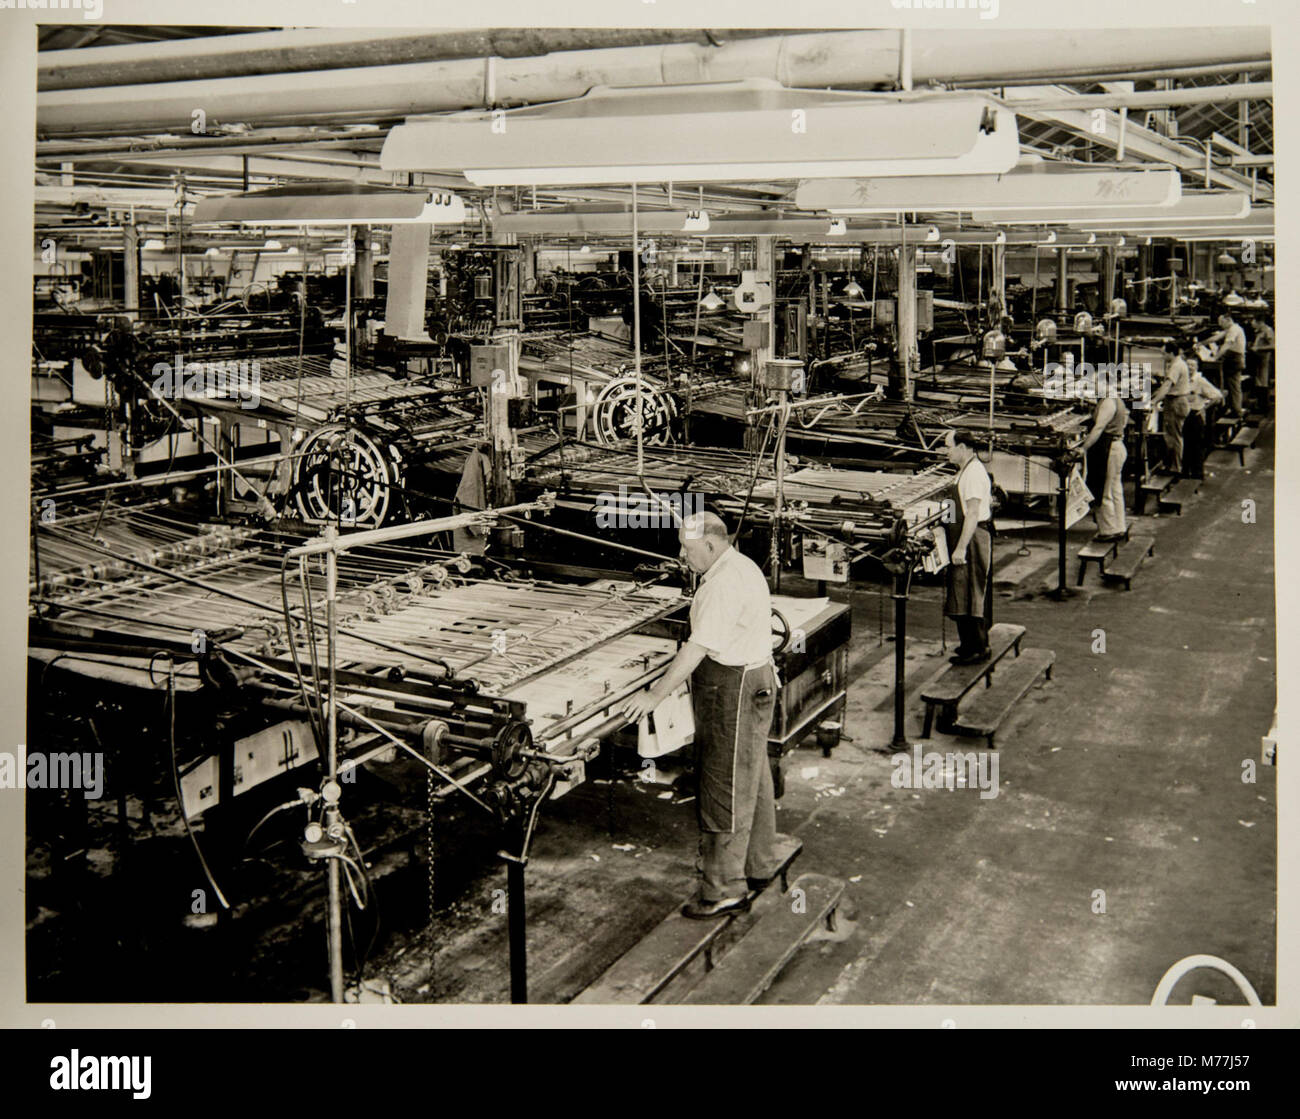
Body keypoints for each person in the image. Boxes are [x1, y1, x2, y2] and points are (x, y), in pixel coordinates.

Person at [620, 511, 792, 919]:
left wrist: (655, 694)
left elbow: (697, 649)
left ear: (712, 545)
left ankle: (725, 889)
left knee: (723, 783)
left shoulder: (724, 583)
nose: (682, 555)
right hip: (754, 680)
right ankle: (760, 863)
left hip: (734, 690)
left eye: (688, 548)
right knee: (752, 774)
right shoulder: (737, 565)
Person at [942, 430, 994, 665]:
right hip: (961, 534)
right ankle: (967, 645)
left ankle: (979, 649)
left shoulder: (973, 473)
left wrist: (961, 548)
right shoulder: (964, 470)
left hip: (971, 538)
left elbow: (972, 514)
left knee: (972, 593)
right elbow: (957, 507)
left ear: (962, 447)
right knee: (960, 593)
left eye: (949, 447)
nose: (946, 452)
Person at [1076, 384, 1129, 542]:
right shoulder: (1116, 399)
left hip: (1110, 449)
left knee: (1104, 490)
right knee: (1115, 489)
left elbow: (1099, 428)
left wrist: (1083, 448)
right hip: (1118, 446)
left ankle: (1107, 531)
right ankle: (1119, 527)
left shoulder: (1108, 402)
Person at [1149, 340, 1194, 475]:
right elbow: (1166, 386)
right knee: (1174, 435)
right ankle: (1173, 465)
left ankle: (1175, 468)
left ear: (1171, 353)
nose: (1163, 357)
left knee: (1173, 436)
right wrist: (1155, 395)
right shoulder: (1179, 363)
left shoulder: (1176, 366)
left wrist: (1154, 402)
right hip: (1177, 401)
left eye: (1164, 354)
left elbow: (1168, 385)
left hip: (1176, 403)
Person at [1183, 356, 1224, 481]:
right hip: (1184, 415)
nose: (1190, 368)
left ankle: (1197, 475)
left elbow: (1217, 395)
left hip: (1195, 415)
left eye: (1192, 365)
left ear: (1197, 367)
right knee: (1186, 446)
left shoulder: (1200, 381)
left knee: (1196, 447)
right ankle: (1185, 474)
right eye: (1188, 364)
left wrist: (1204, 408)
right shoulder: (1183, 380)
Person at [452, 442, 492, 555]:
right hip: (468, 550)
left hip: (476, 546)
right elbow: (474, 521)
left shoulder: (477, 466)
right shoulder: (471, 484)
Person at [1206, 311, 1247, 416]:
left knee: (1234, 386)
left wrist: (1215, 357)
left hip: (1235, 360)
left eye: (1221, 322)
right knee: (1230, 385)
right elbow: (1217, 337)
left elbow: (1228, 344)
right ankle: (1232, 408)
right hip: (1233, 359)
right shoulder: (1231, 328)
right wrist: (1201, 343)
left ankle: (1236, 411)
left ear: (1228, 320)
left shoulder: (1234, 330)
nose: (1220, 324)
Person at [1249, 315, 1274, 413]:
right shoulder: (1259, 332)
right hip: (1258, 359)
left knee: (1263, 382)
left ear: (1259, 322)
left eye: (1253, 322)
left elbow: (1273, 345)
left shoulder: (1268, 331)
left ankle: (1264, 407)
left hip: (1265, 360)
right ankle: (1260, 405)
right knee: (1258, 382)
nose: (1252, 325)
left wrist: (1258, 348)